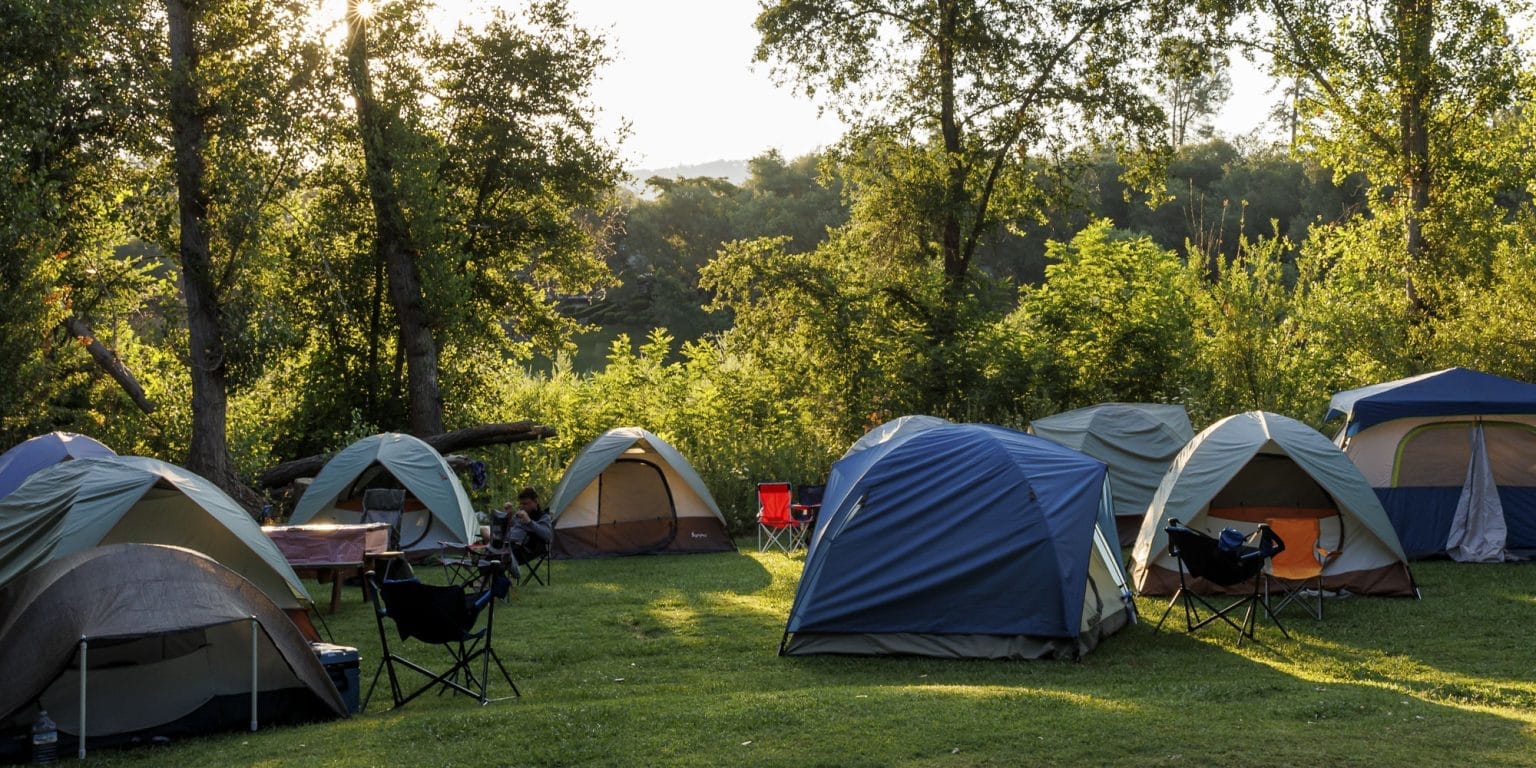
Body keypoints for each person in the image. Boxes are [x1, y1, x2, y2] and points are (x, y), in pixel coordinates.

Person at [493, 487, 552, 575]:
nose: (522, 506)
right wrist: (508, 515)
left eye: (525, 504)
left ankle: (512, 569)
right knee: (489, 539)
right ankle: (487, 581)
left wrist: (529, 522)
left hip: (525, 550)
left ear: (536, 501)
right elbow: (511, 526)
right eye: (521, 504)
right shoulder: (520, 515)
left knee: (498, 552)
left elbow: (548, 535)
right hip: (509, 544)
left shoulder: (543, 517)